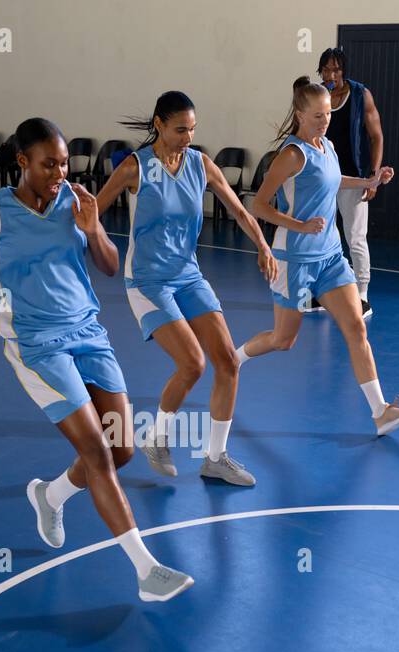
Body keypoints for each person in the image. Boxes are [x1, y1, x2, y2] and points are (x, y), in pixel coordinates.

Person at [0, 117, 194, 602]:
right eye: (49, 164)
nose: (59, 173)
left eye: (64, 163)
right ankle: (147, 571)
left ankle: (51, 495)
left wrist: (92, 228)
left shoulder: (75, 203)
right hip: (38, 345)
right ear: (23, 163)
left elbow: (109, 267)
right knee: (96, 451)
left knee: (123, 449)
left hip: (89, 335)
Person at [95, 91, 278, 486]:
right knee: (193, 363)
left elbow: (240, 210)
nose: (188, 137)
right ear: (158, 124)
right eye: (180, 129)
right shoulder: (134, 168)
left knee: (227, 362)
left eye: (192, 129)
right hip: (147, 281)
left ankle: (215, 457)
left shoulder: (200, 165)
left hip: (188, 276)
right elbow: (91, 214)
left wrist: (263, 246)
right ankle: (156, 439)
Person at [236, 79, 399, 438]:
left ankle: (380, 411)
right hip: (294, 259)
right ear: (300, 115)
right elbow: (257, 205)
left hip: (331, 257)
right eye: (317, 116)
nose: (324, 121)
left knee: (355, 327)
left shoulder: (328, 146)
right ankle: (235, 356)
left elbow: (335, 181)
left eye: (328, 115)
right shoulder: (291, 155)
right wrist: (298, 225)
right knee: (283, 340)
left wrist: (370, 181)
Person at [318, 46, 386, 317]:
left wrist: (373, 177)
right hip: (324, 179)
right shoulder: (318, 95)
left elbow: (376, 136)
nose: (330, 74)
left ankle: (362, 295)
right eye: (325, 69)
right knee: (321, 236)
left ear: (344, 71)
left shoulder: (360, 95)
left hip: (354, 178)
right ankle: (322, 291)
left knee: (355, 238)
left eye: (335, 69)